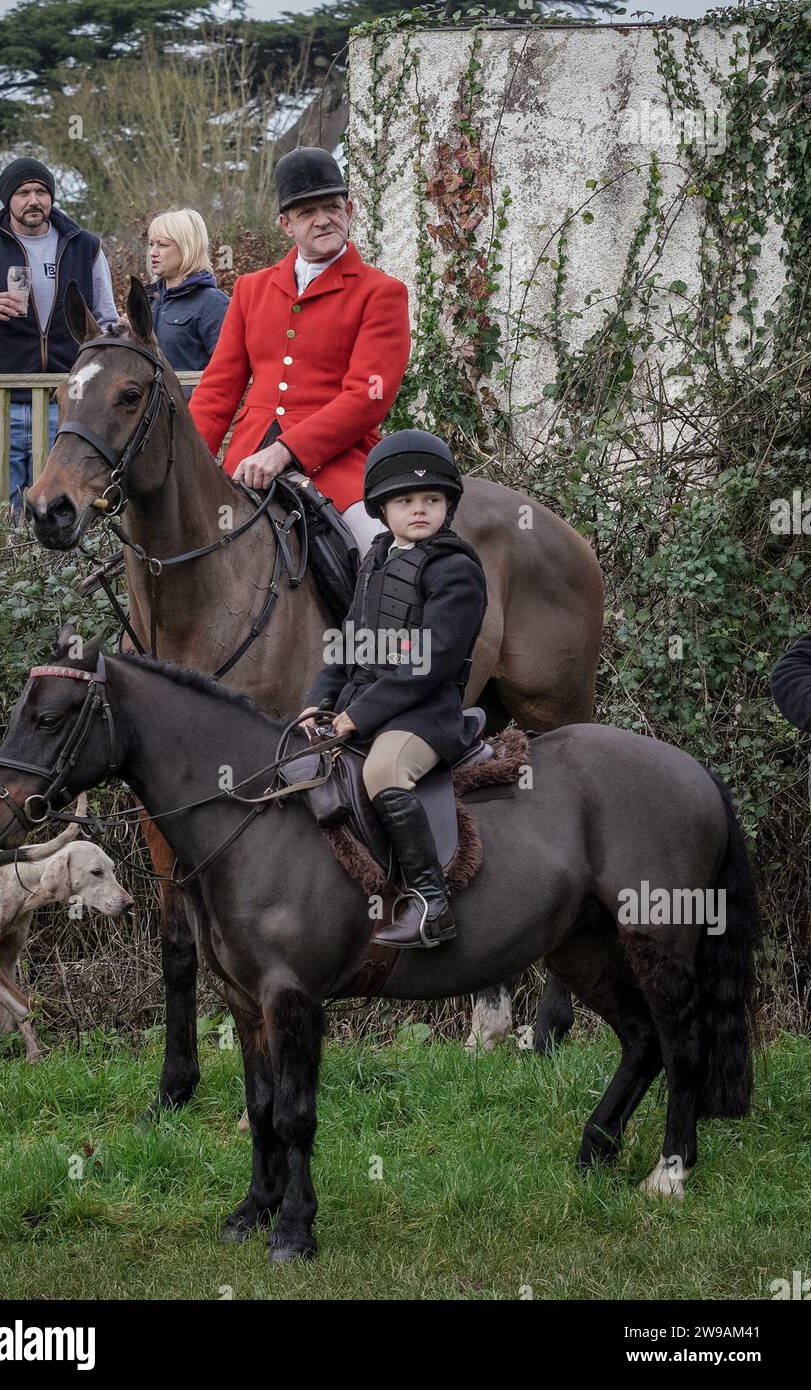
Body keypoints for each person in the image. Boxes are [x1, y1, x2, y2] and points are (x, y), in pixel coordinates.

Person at [297, 430, 488, 949]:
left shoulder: (456, 570)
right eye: (406, 501)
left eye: (432, 500)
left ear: (448, 505)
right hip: (366, 704)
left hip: (425, 714)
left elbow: (432, 662)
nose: (420, 510)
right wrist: (321, 699)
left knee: (384, 770)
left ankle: (432, 903)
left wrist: (360, 715)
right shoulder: (374, 561)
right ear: (383, 509)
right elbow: (348, 641)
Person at [188, 147, 411, 557]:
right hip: (245, 463)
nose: (323, 219)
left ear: (350, 209)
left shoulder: (381, 293)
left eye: (332, 206)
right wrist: (185, 464)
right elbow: (218, 389)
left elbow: (367, 398)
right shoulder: (251, 289)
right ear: (286, 224)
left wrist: (286, 450)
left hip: (335, 466)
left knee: (378, 549)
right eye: (307, 212)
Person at [0, 157, 118, 527]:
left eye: (41, 191)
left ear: (52, 197)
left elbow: (105, 318)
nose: (33, 200)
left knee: (57, 506)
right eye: (23, 192)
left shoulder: (85, 245)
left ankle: (57, 582)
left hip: (64, 401)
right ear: (8, 199)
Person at [139, 208, 229, 399]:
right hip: (145, 419)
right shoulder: (147, 300)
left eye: (162, 245)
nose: (153, 253)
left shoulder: (212, 303)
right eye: (151, 244)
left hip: (189, 418)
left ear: (187, 247)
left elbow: (227, 374)